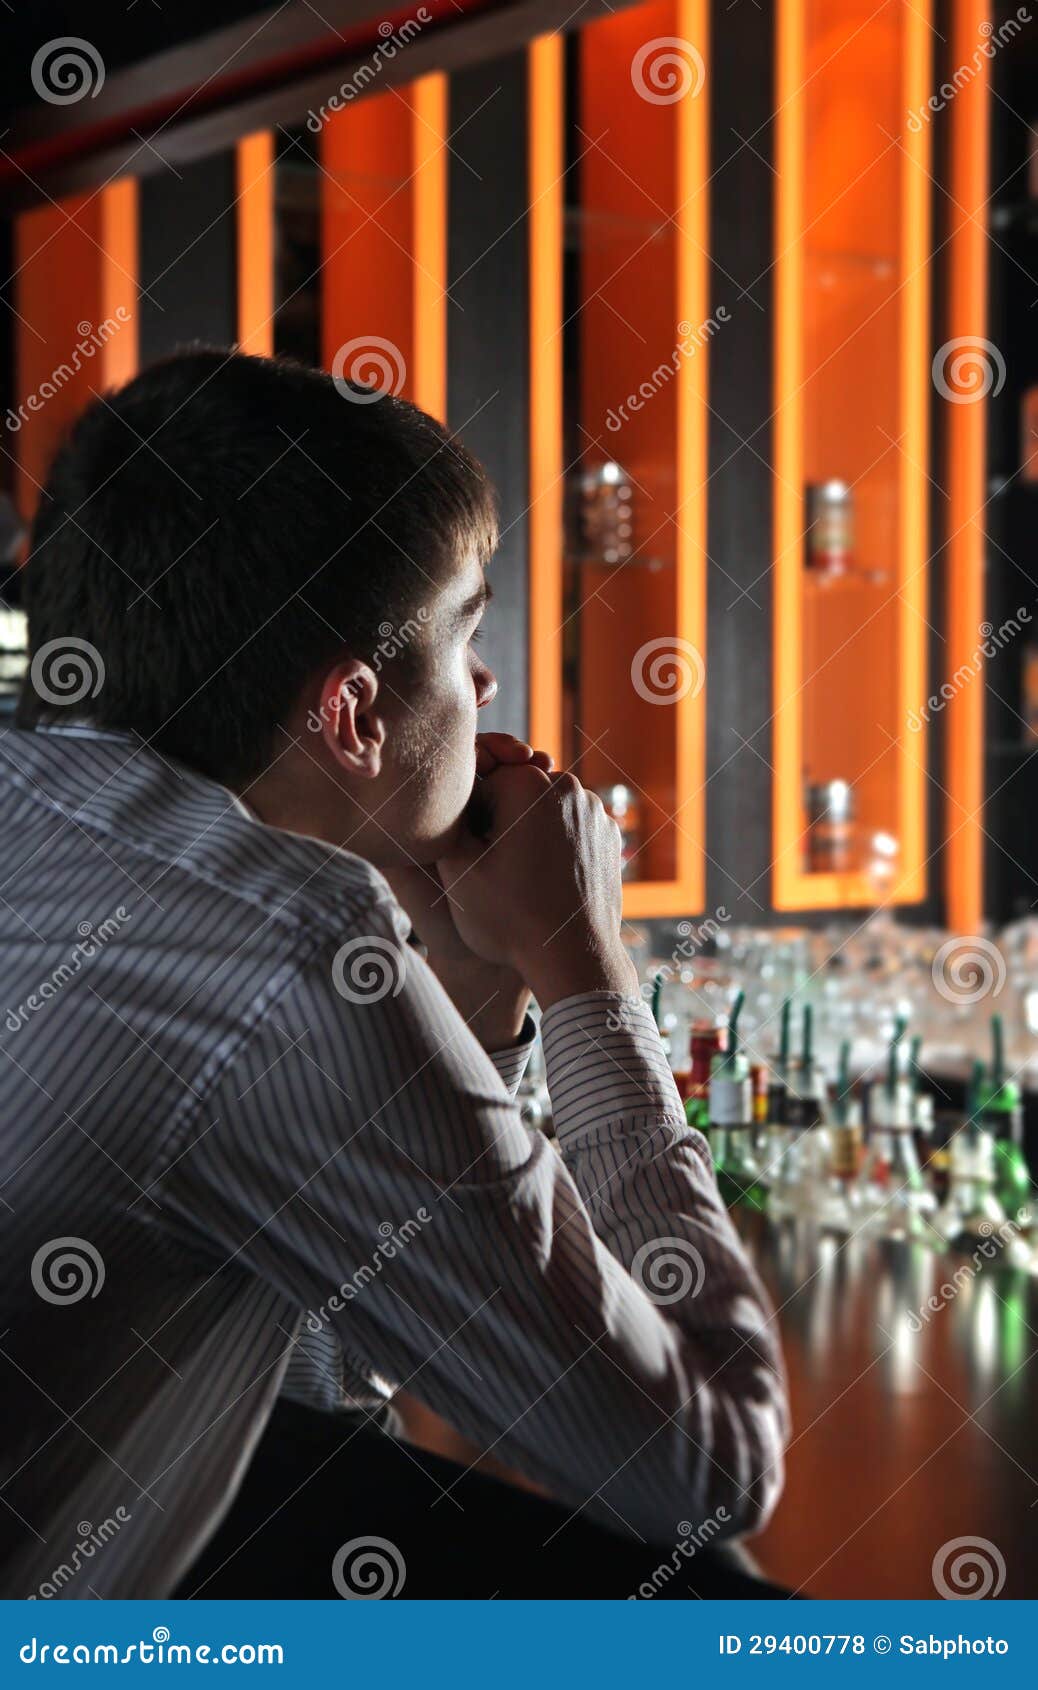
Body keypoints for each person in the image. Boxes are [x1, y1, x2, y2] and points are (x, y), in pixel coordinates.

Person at [0, 349, 788, 1600]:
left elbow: (302, 1372)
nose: (486, 688)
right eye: (467, 628)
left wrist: (482, 997)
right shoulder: (287, 948)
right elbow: (709, 1466)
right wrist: (585, 967)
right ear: (355, 714)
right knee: (763, 1624)